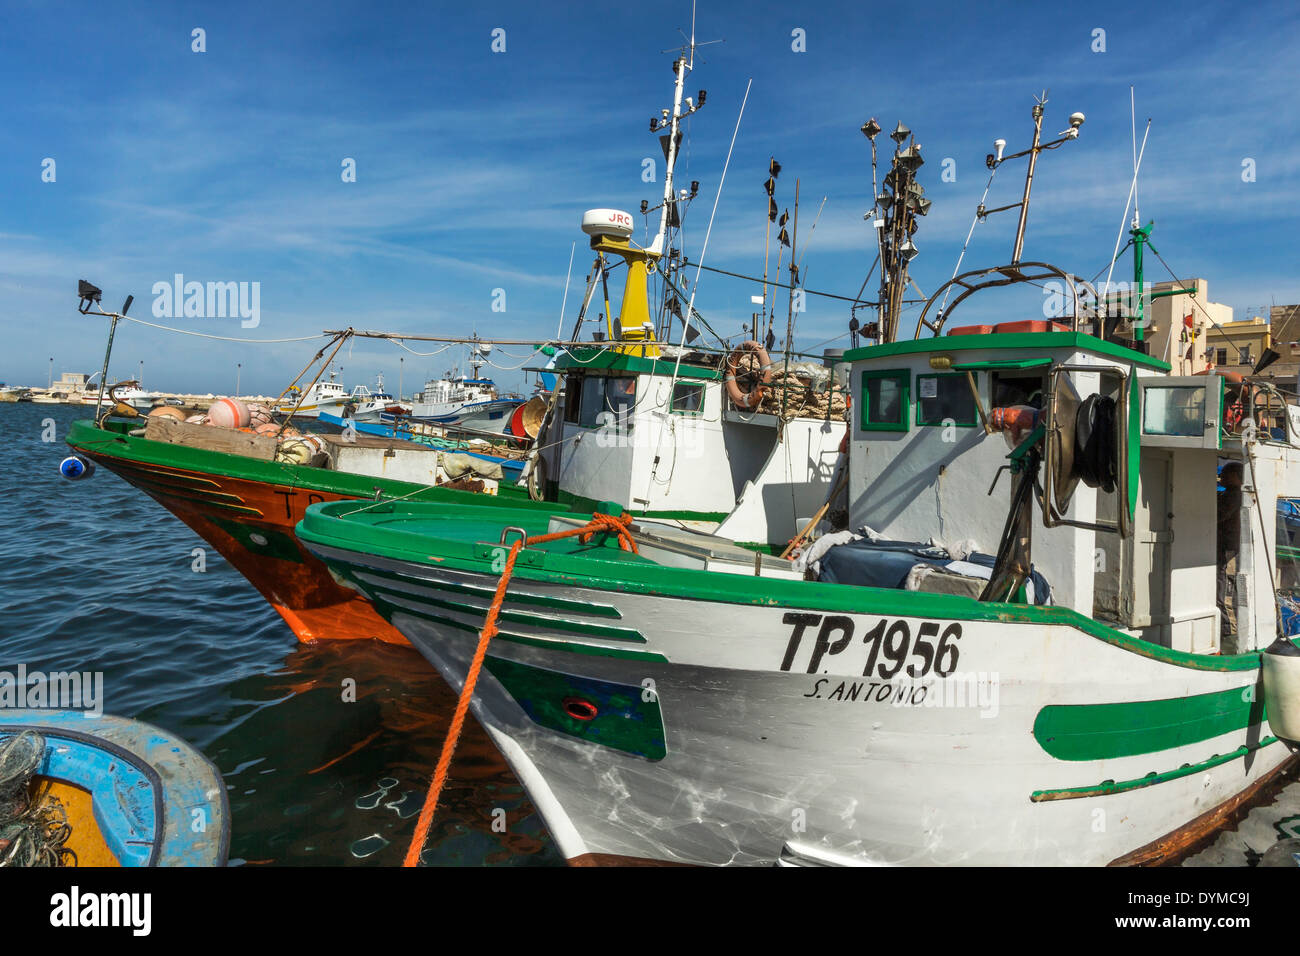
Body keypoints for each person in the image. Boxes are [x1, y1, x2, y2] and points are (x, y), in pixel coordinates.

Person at [1217, 462, 1244, 652]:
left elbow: (1218, 515)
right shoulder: (1229, 494)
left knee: (1226, 595)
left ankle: (1230, 637)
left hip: (1229, 551)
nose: (1221, 478)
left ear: (1235, 475)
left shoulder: (1234, 495)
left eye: (1225, 474)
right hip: (1226, 549)